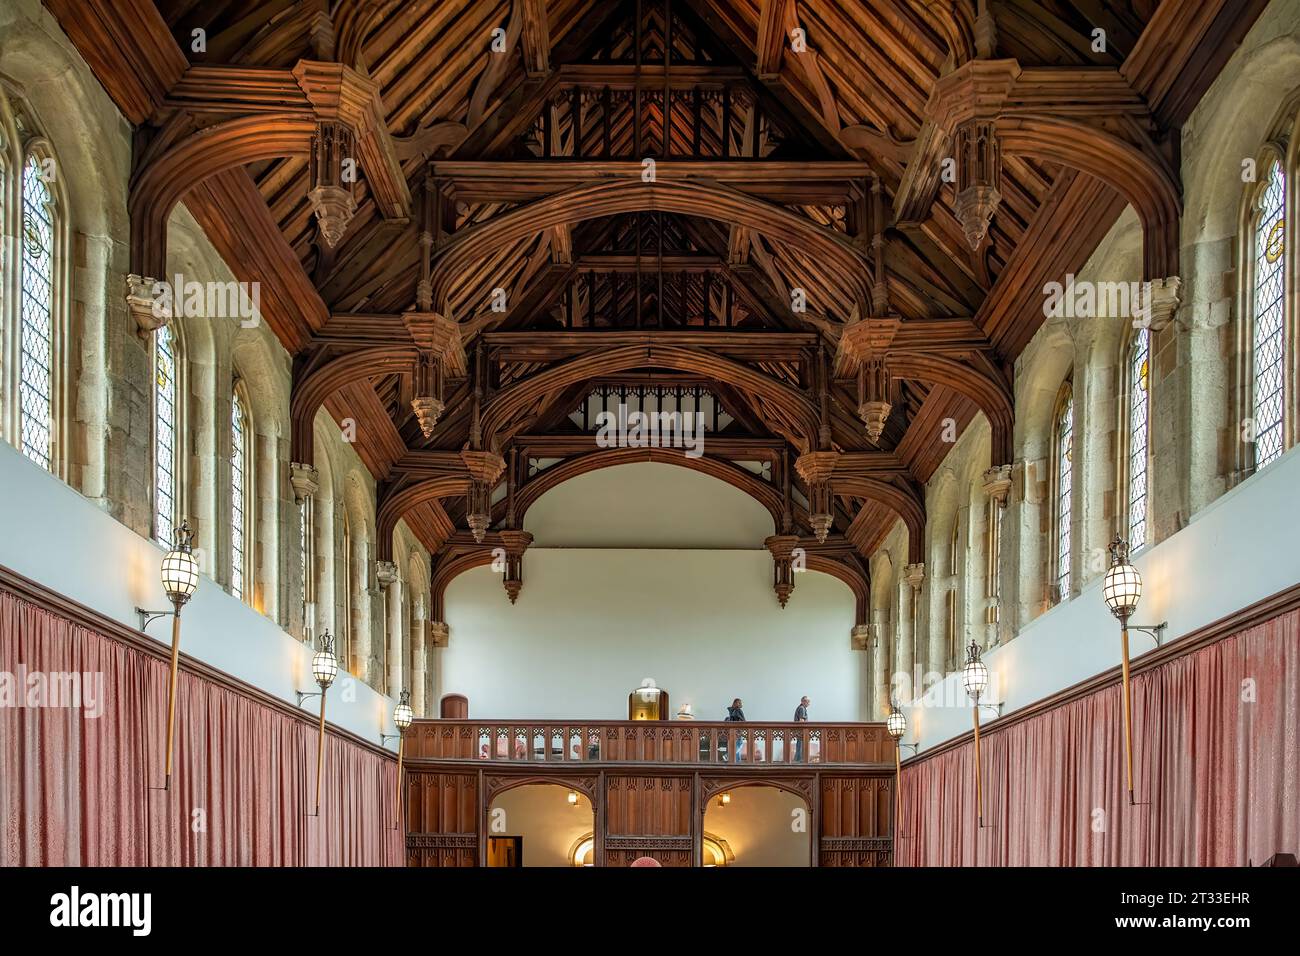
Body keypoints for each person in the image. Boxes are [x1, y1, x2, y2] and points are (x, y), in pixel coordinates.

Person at [725, 698, 745, 762]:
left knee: (737, 744)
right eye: (739, 702)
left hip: (732, 731)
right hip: (738, 730)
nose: (740, 704)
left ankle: (738, 761)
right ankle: (727, 755)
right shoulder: (738, 710)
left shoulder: (732, 711)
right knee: (740, 743)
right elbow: (743, 721)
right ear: (736, 703)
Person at [792, 696, 810, 762]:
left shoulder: (802, 708)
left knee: (799, 745)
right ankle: (798, 761)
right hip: (801, 730)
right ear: (803, 702)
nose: (809, 703)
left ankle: (798, 760)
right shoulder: (802, 708)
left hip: (800, 730)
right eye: (808, 702)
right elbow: (801, 720)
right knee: (800, 746)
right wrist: (804, 730)